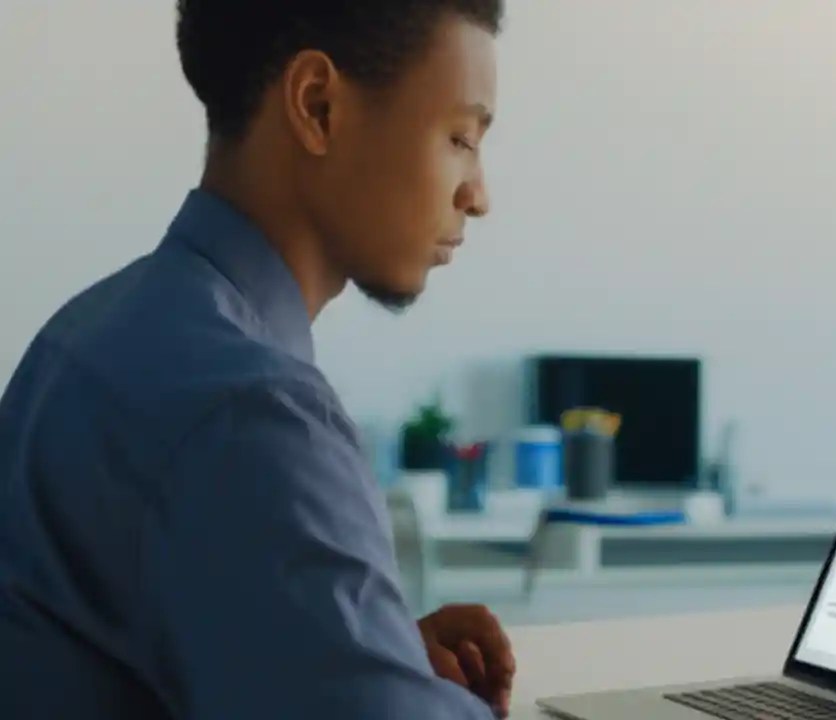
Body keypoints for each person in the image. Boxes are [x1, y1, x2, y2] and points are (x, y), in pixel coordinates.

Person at [0, 1, 513, 718]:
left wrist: (361, 647)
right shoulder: (251, 414)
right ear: (318, 106)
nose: (478, 195)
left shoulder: (85, 332)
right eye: (460, 136)